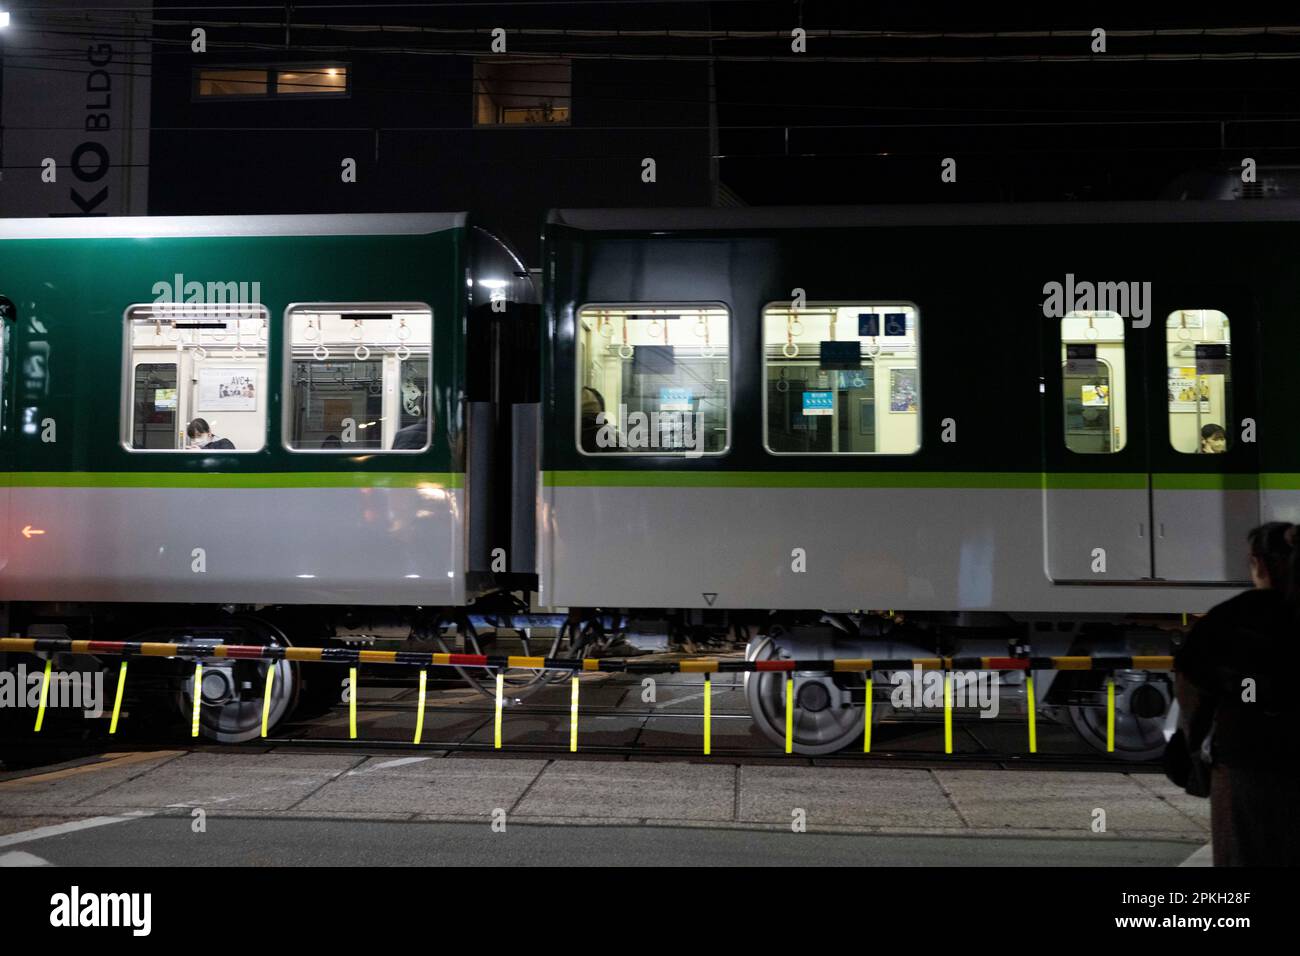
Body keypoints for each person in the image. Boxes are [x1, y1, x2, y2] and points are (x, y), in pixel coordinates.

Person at [1174, 522, 1300, 865]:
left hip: (1246, 762)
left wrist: (1197, 750)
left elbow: (1192, 690)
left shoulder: (1233, 618)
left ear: (1258, 564)